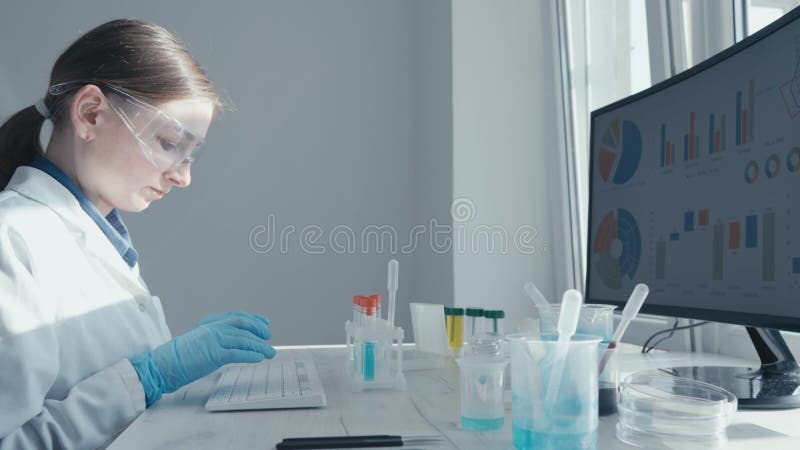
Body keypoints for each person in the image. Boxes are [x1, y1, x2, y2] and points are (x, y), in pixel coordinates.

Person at [0, 19, 276, 449]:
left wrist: (166, 375)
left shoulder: (97, 236)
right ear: (90, 114)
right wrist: (149, 376)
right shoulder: (12, 239)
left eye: (191, 154)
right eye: (169, 143)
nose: (183, 177)